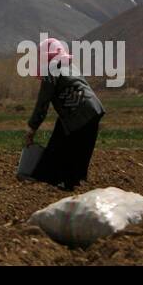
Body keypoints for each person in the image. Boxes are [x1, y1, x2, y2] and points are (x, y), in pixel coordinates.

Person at [23, 37, 104, 190]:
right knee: (78, 147)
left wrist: (31, 128)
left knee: (59, 143)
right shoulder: (69, 66)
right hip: (94, 109)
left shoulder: (51, 71)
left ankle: (47, 177)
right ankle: (69, 182)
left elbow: (43, 103)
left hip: (77, 111)